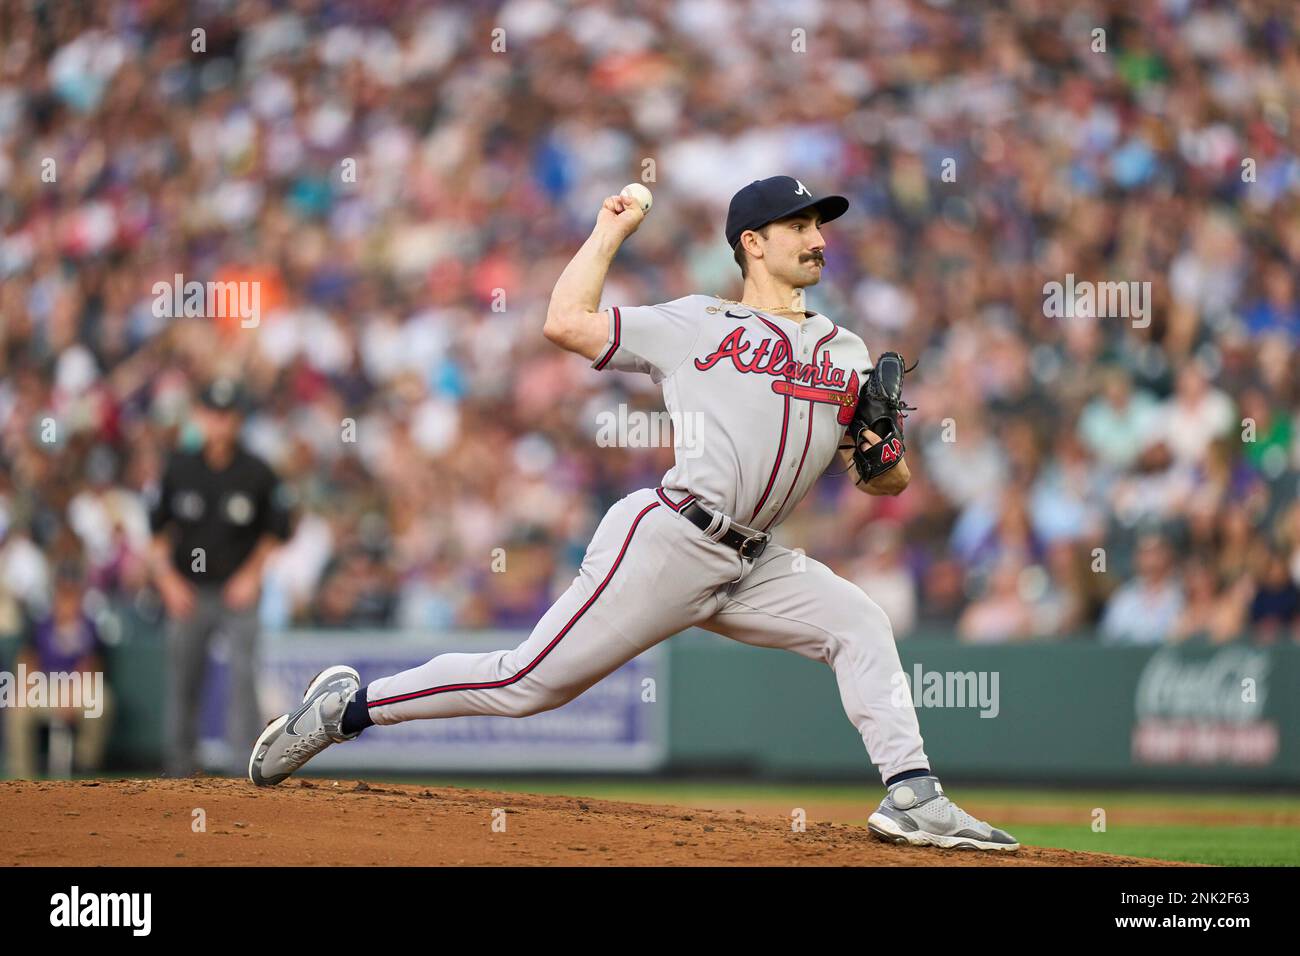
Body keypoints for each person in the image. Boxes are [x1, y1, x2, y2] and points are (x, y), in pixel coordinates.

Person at [248, 177, 1019, 852]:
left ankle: (913, 795)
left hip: (754, 560)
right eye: (801, 227)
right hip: (673, 537)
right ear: (753, 243)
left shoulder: (847, 350)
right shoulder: (696, 322)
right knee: (525, 683)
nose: (819, 240)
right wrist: (608, 232)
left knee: (861, 623)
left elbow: (885, 484)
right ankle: (344, 711)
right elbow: (566, 322)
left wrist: (885, 446)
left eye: (820, 226)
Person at [148, 378, 295, 776]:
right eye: (212, 414)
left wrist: (251, 575)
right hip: (189, 591)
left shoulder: (258, 472)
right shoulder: (178, 468)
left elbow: (277, 530)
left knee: (244, 679)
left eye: (227, 416)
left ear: (238, 420)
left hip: (238, 591)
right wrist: (168, 582)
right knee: (183, 679)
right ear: (200, 417)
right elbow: (157, 533)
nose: (219, 423)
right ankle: (179, 767)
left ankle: (243, 768)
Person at [3, 565, 111, 778]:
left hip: (77, 687)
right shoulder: (42, 624)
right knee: (16, 709)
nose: (67, 601)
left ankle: (83, 765)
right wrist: (25, 687)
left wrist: (69, 697)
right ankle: (21, 778)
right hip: (45, 687)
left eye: (72, 594)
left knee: (102, 701)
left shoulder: (88, 626)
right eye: (63, 594)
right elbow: (27, 659)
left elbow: (90, 666)